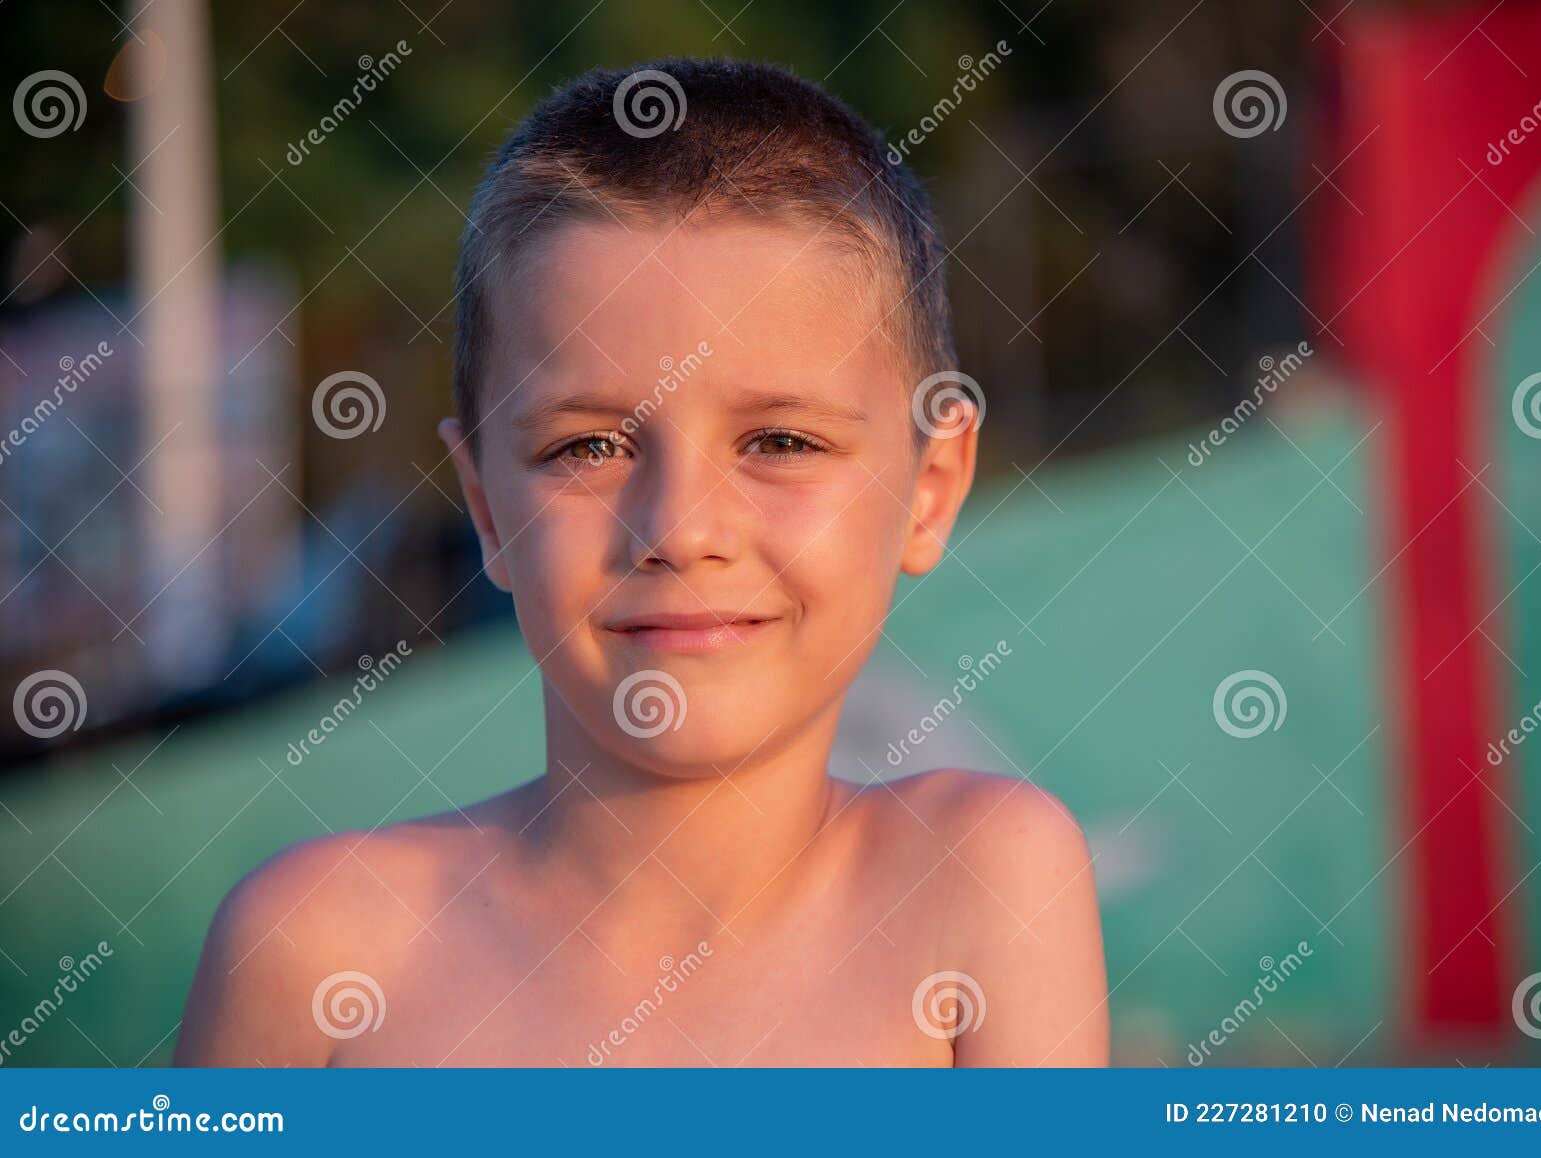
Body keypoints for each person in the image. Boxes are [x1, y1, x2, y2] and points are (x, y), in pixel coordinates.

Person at [175, 57, 1107, 1067]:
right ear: (486, 507)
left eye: (781, 443)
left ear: (928, 487)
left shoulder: (977, 884)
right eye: (587, 447)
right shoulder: (315, 953)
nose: (678, 527)